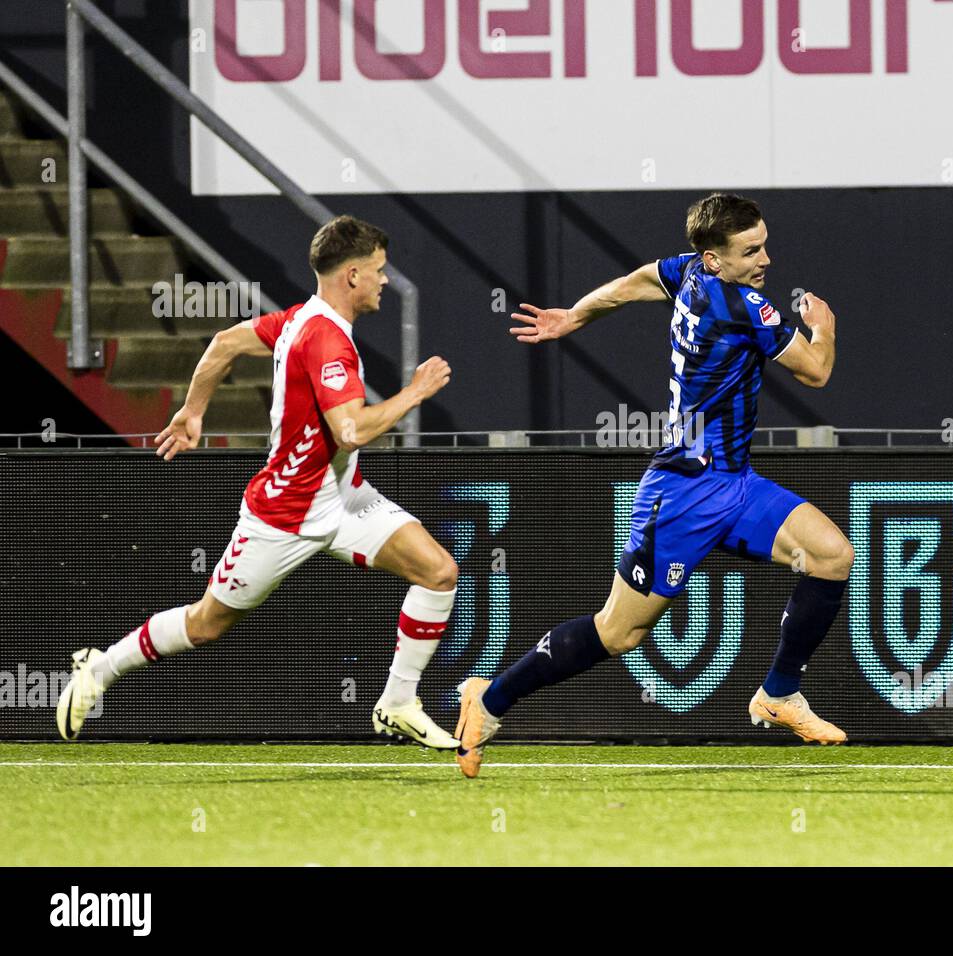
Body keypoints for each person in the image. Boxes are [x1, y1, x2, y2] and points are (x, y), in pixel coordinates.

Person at [453, 193, 853, 777]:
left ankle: (779, 695)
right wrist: (824, 330)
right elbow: (817, 371)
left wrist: (573, 316)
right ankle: (488, 702)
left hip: (734, 484)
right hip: (683, 494)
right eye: (751, 250)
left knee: (830, 554)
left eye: (764, 243)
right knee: (618, 633)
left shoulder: (687, 271)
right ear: (716, 259)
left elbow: (631, 283)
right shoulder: (746, 308)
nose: (766, 258)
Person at [57, 215, 461, 749]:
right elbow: (350, 428)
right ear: (354, 276)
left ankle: (398, 702)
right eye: (380, 271)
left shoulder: (299, 319)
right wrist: (415, 392)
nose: (387, 280)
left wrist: (193, 412)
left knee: (438, 572)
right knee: (205, 625)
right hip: (286, 513)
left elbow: (224, 342)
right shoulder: (326, 342)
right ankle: (100, 668)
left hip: (343, 499)